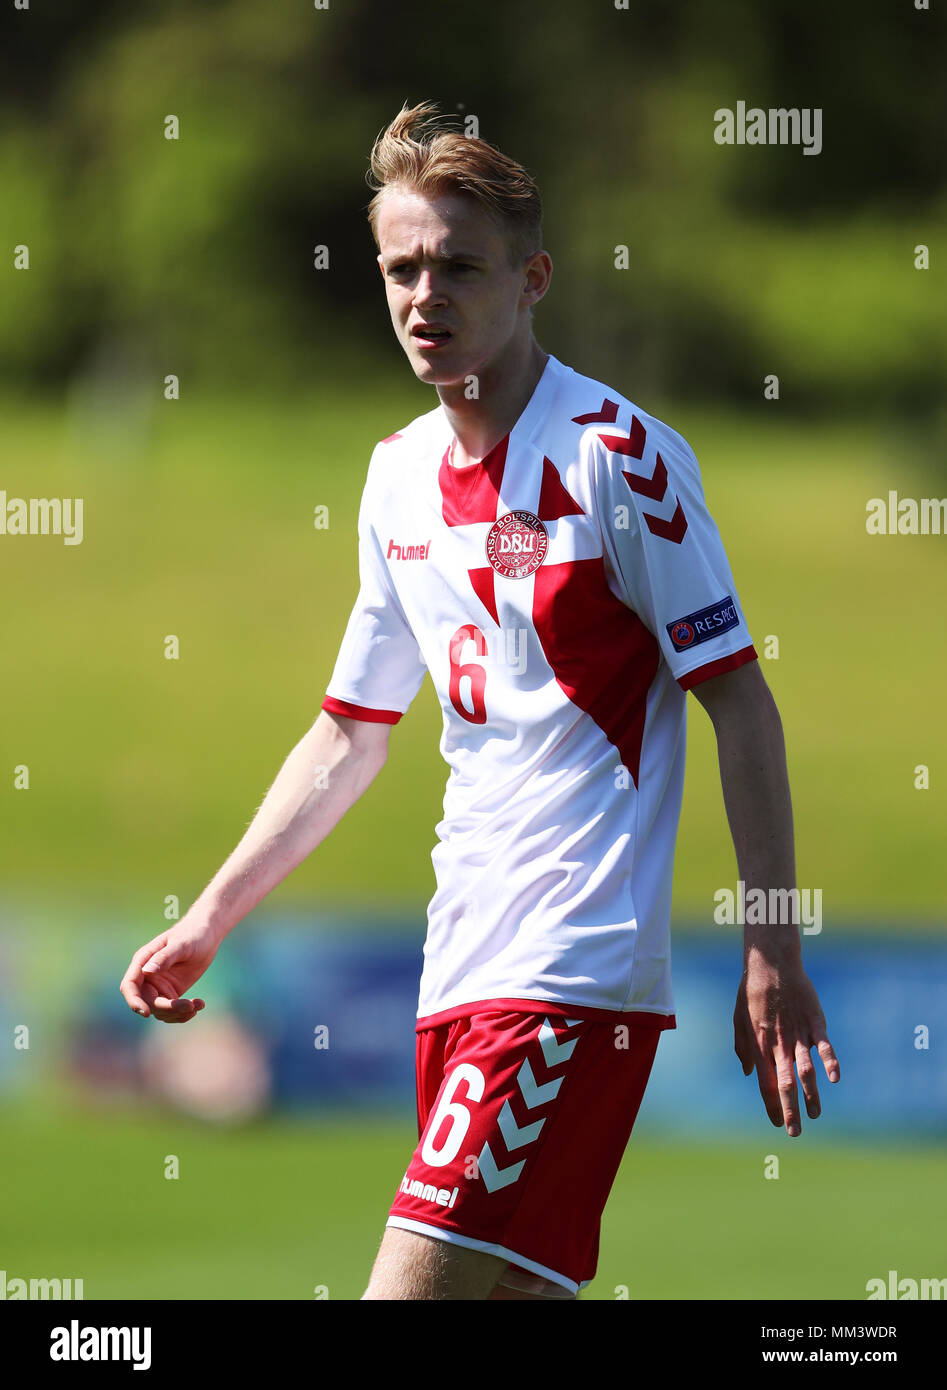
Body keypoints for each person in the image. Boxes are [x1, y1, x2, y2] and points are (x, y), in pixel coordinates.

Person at [120, 101, 840, 1301]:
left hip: (570, 971)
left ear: (531, 279)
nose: (423, 294)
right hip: (455, 967)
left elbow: (740, 706)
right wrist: (210, 918)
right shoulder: (394, 476)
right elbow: (350, 732)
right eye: (400, 267)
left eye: (458, 264)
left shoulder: (621, 458)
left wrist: (772, 938)